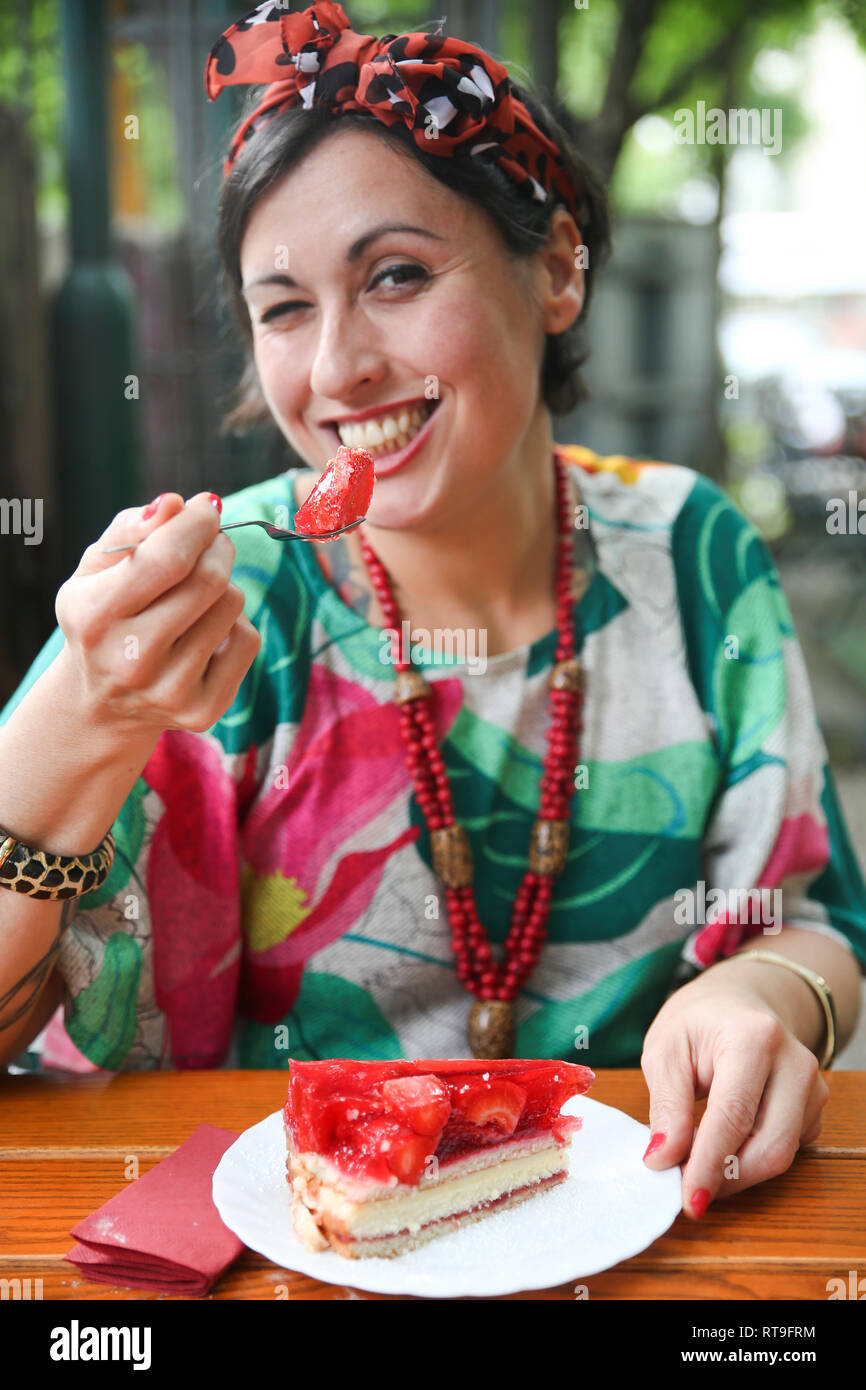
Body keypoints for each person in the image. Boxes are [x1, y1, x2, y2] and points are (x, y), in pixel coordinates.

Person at [0, 3, 863, 1226]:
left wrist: (765, 994)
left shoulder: (688, 550)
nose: (341, 366)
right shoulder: (205, 608)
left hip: (635, 1237)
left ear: (556, 266)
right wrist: (83, 721)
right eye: (286, 307)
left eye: (395, 275)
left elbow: (814, 914)